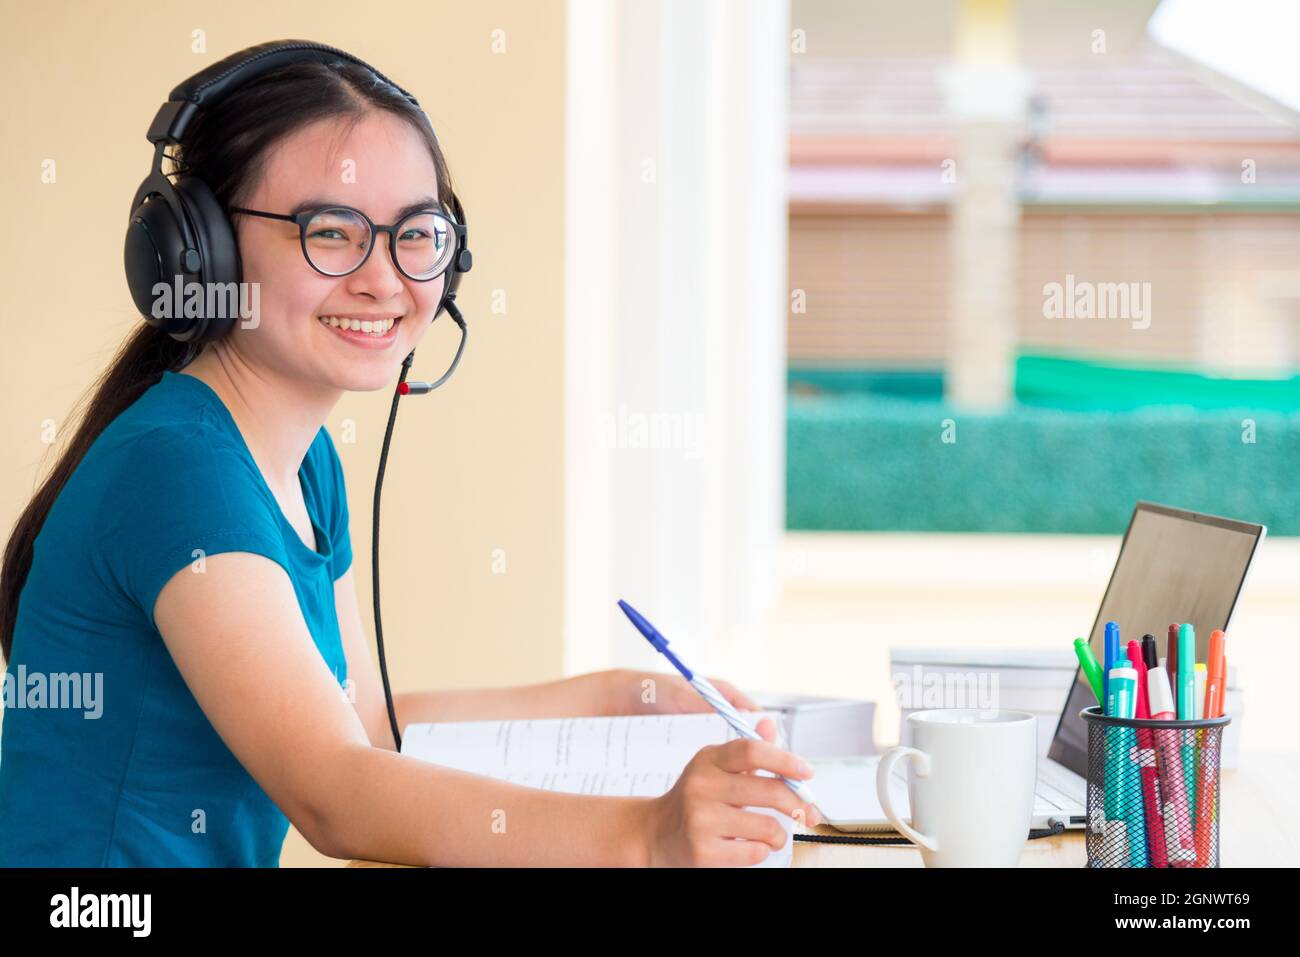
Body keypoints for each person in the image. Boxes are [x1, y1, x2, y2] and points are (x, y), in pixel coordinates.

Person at [0, 48, 821, 867]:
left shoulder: (304, 459)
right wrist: (647, 836)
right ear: (199, 248)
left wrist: (608, 701)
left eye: (417, 235)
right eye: (332, 233)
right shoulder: (176, 468)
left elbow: (356, 722)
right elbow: (336, 792)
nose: (384, 279)